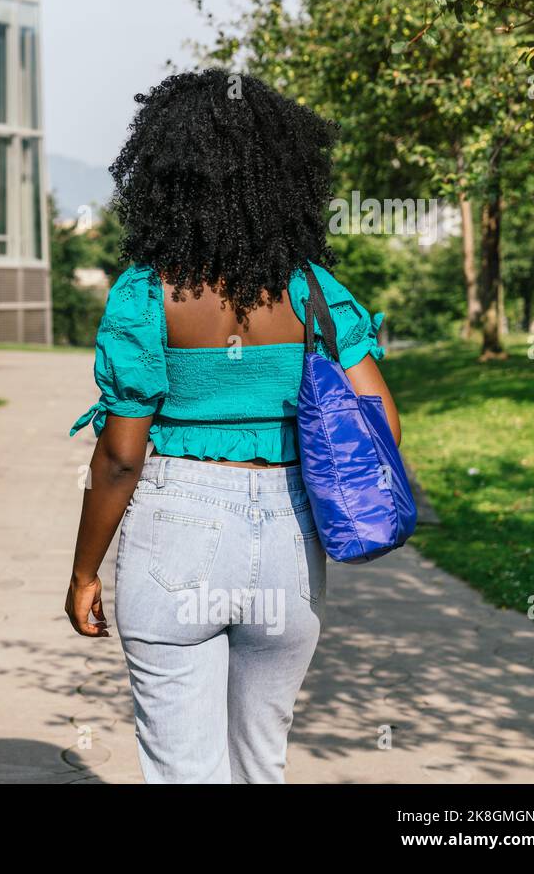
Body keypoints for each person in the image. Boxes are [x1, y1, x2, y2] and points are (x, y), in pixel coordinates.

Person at [64, 70, 402, 783]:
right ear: (282, 174)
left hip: (175, 531)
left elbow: (121, 458)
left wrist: (85, 568)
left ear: (164, 175)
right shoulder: (314, 290)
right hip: (290, 537)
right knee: (260, 764)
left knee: (187, 771)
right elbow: (380, 426)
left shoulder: (147, 291)